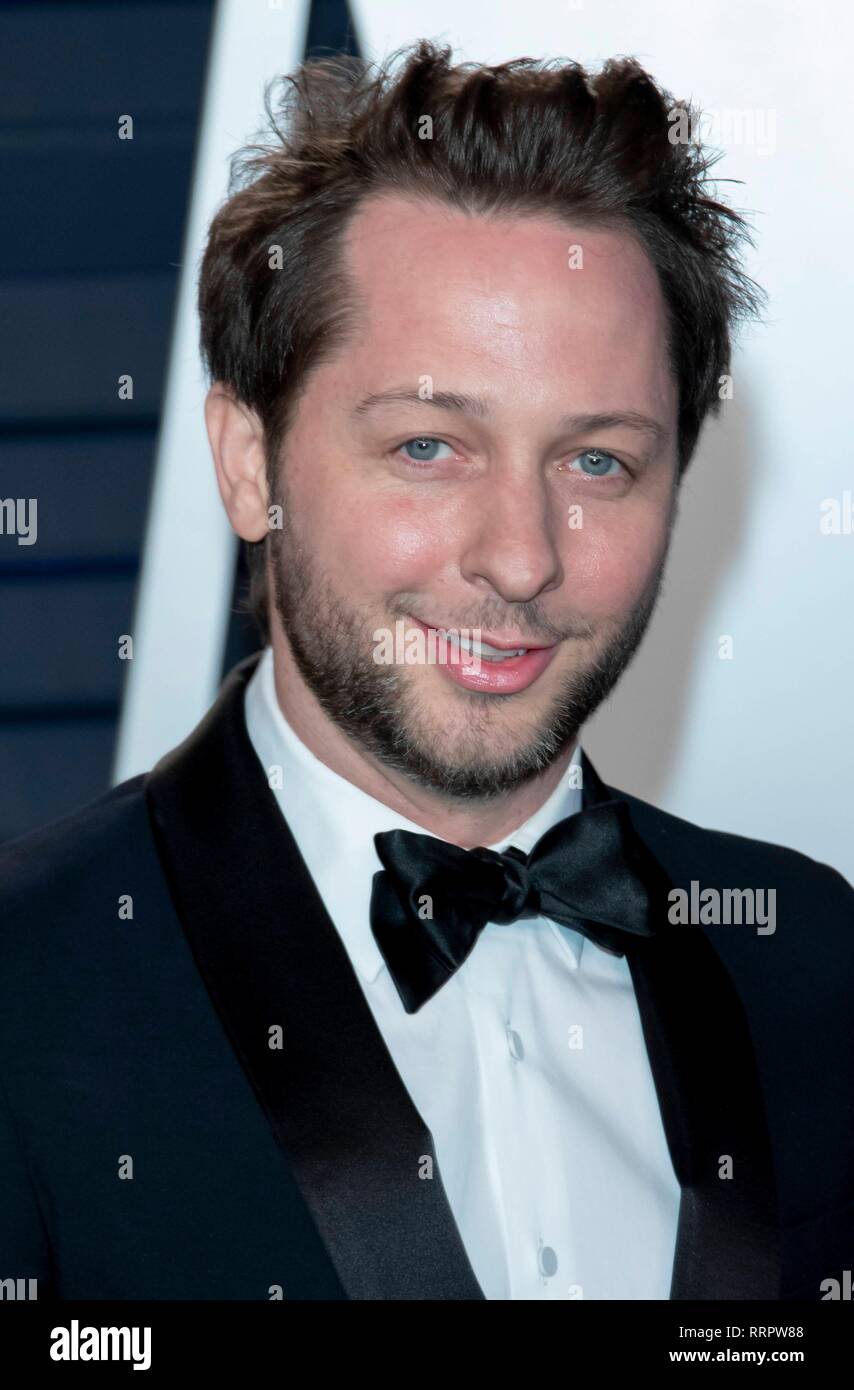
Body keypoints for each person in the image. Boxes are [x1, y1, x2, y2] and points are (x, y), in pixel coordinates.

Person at [1, 40, 852, 1302]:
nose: (519, 558)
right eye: (425, 446)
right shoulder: (29, 987)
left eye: (598, 462)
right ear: (249, 463)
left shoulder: (812, 954)